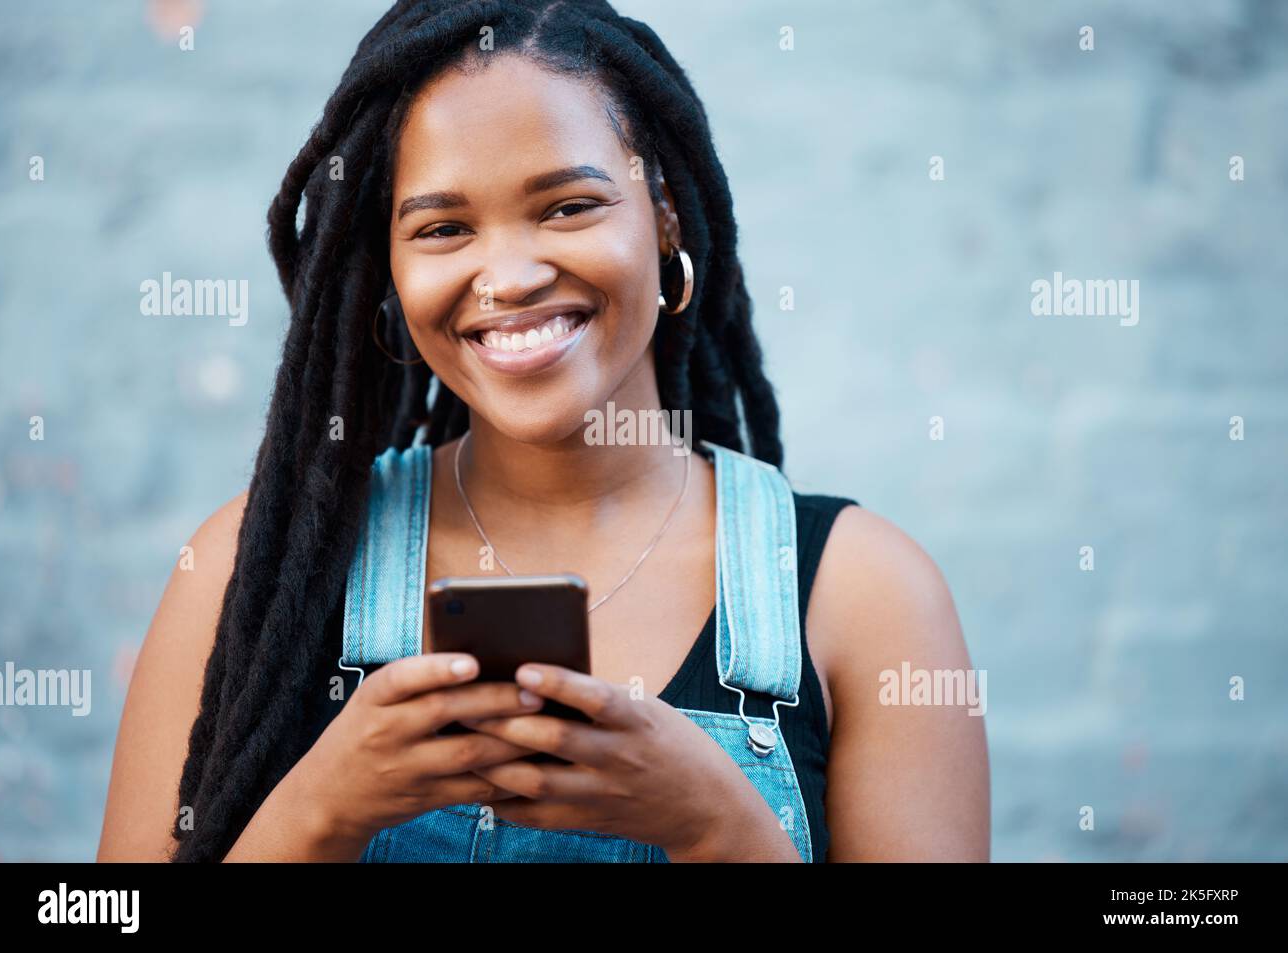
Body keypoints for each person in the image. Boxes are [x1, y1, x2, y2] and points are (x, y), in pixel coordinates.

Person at [97, 0, 988, 863]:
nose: (511, 276)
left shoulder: (867, 593)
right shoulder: (246, 566)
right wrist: (325, 808)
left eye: (567, 207)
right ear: (391, 268)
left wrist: (718, 827)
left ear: (665, 210)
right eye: (443, 227)